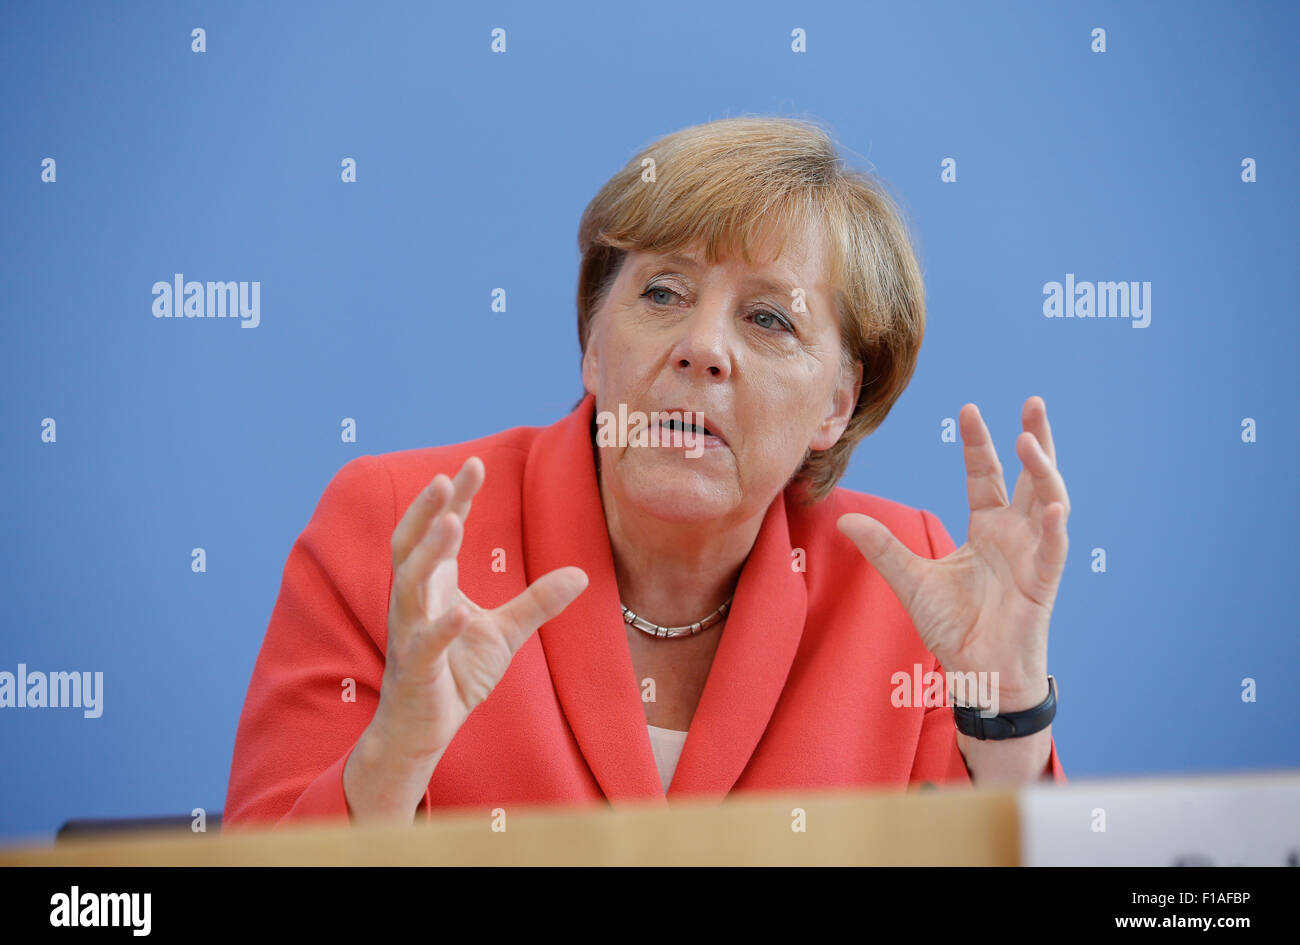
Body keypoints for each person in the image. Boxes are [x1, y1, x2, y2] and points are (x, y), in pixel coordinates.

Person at [224, 115, 1069, 828]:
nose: (702, 348)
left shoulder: (902, 585)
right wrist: (393, 761)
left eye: (769, 318)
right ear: (593, 343)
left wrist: (1005, 717)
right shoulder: (399, 528)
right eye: (663, 293)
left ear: (835, 406)